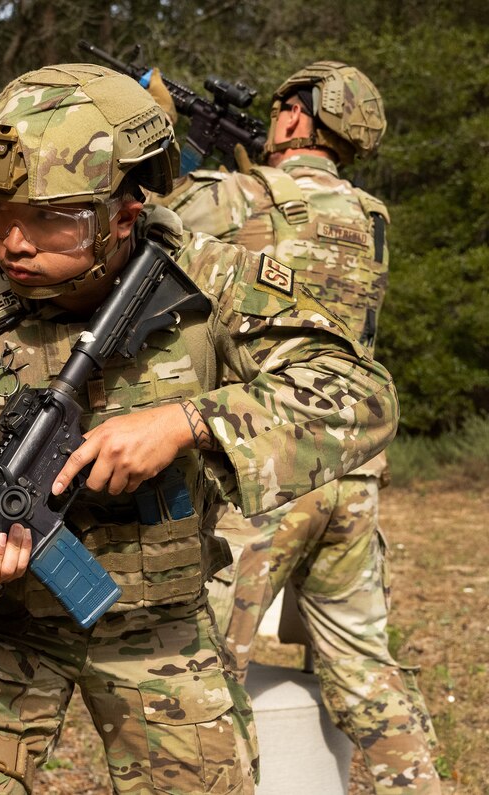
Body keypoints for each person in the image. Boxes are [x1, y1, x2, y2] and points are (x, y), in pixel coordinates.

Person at [0, 62, 398, 794]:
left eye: (51, 216)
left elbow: (358, 393)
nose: (13, 240)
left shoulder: (214, 283)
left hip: (161, 626)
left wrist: (190, 421)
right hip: (3, 630)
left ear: (124, 210)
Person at [154, 62, 441, 793]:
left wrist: (167, 134)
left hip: (272, 461)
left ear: (295, 117)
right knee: (363, 665)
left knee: (205, 665)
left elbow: (158, 217)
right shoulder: (370, 215)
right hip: (353, 467)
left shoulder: (247, 193)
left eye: (285, 104)